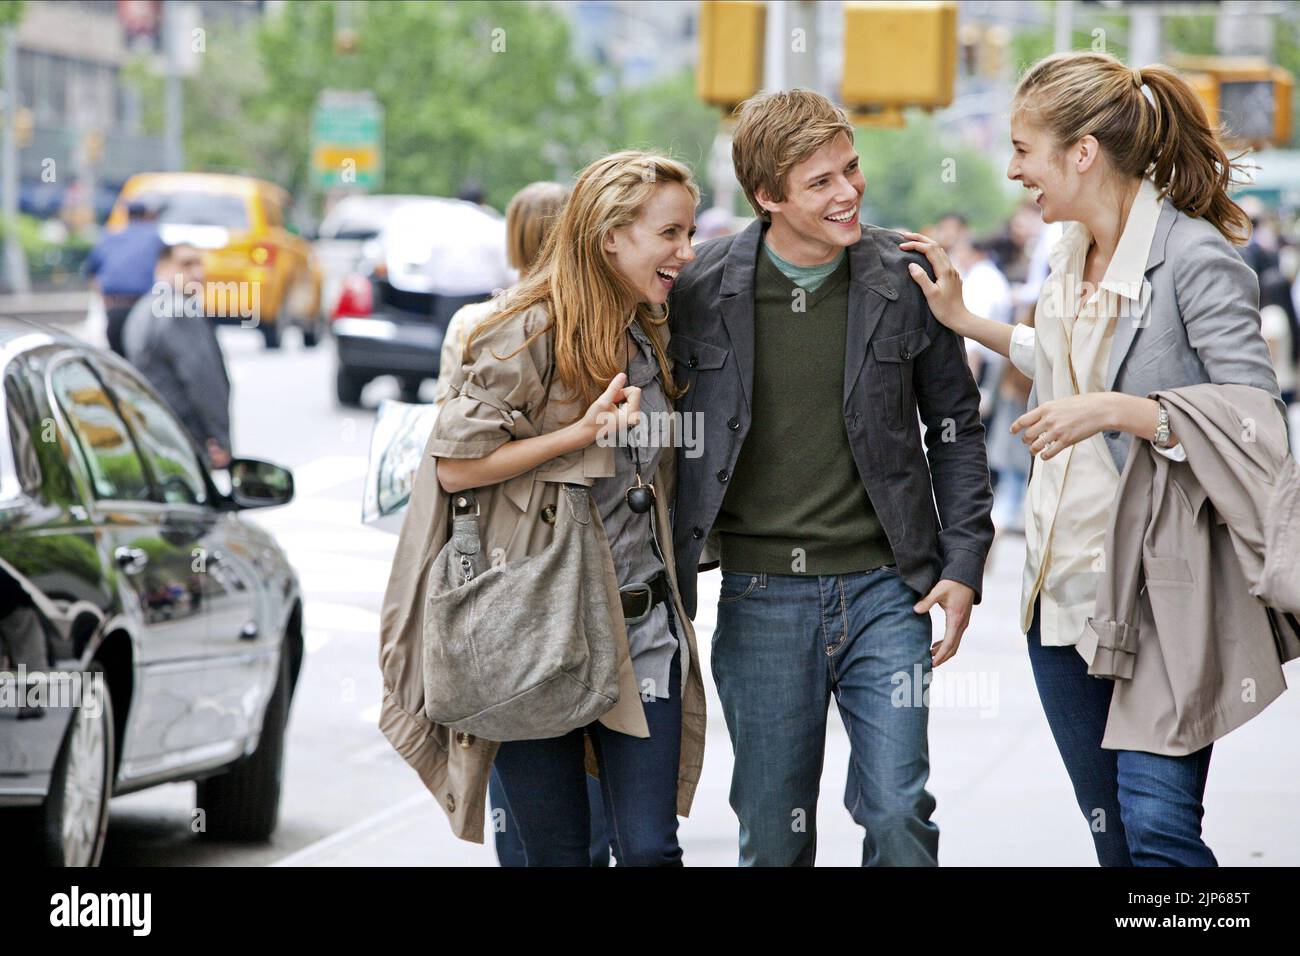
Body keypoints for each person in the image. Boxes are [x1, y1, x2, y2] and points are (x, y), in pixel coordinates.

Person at [903, 50, 1284, 866]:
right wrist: (970, 323)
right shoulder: (1068, 258)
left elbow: (1259, 424)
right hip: (1059, 594)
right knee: (1114, 835)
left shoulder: (1194, 256)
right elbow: (1074, 361)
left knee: (1160, 832)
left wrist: (1121, 413)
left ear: (1082, 153)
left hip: (1161, 596)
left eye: (1023, 150)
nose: (1013, 172)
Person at [668, 89, 994, 867]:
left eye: (850, 169)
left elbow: (954, 429)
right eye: (820, 182)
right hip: (759, 599)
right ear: (768, 197)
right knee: (776, 838)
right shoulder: (699, 289)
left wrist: (964, 567)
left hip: (889, 588)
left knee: (897, 812)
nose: (848, 192)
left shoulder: (908, 279)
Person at [379, 151, 707, 865]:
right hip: (536, 629)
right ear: (612, 234)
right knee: (558, 855)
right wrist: (579, 436)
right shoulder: (521, 331)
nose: (687, 251)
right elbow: (457, 463)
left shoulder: (654, 330)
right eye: (672, 234)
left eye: (691, 232)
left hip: (642, 628)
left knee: (651, 849)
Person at [431, 179, 613, 867]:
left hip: (505, 554)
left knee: (515, 728)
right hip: (563, 543)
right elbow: (458, 454)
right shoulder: (553, 323)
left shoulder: (475, 321)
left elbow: (449, 438)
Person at [122, 242, 233, 469]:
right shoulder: (179, 311)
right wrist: (219, 437)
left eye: (200, 264)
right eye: (186, 264)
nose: (197, 273)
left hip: (154, 433)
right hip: (185, 435)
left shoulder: (143, 308)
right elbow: (203, 380)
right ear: (161, 269)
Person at [84, 198, 166, 357]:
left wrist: (104, 299)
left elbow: (91, 272)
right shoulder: (154, 238)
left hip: (114, 308)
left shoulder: (109, 237)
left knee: (119, 359)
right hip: (143, 309)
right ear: (147, 215)